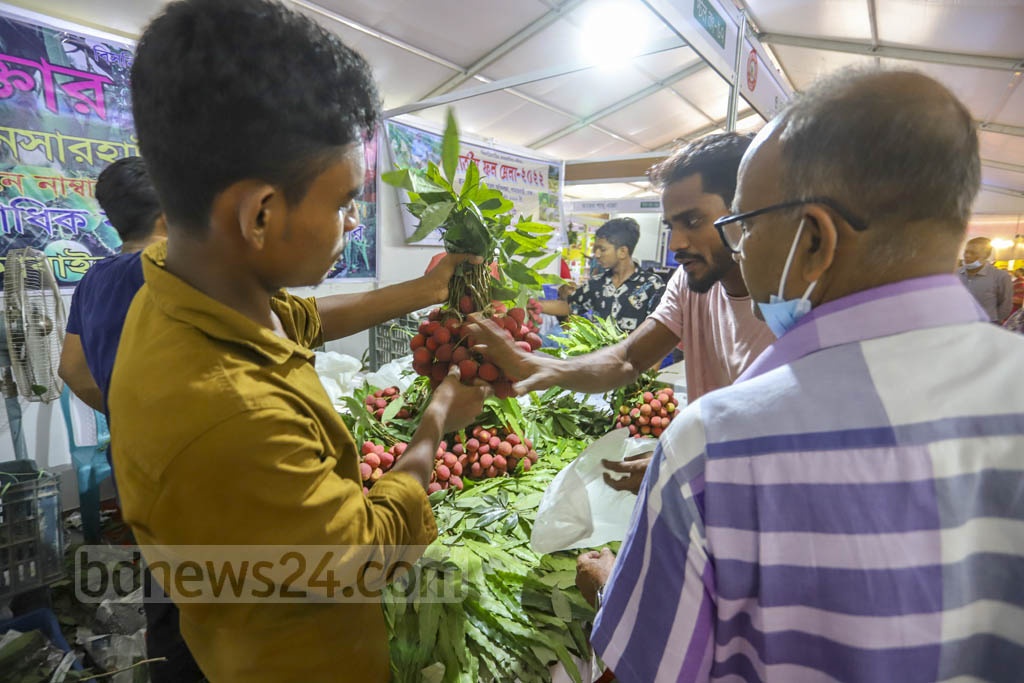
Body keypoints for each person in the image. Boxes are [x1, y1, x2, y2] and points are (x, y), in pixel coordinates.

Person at [592, 68, 1024, 682]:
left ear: (814, 240)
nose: (735, 246)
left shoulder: (714, 448)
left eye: (745, 224)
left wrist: (616, 592)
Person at [108, 2, 487, 681]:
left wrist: (422, 292)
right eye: (344, 201)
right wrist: (436, 419)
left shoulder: (183, 289)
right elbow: (368, 552)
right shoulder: (231, 411)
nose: (349, 220)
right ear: (260, 213)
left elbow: (305, 322)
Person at [470, 133, 774, 493]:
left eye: (692, 221)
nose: (676, 244)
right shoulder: (689, 283)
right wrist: (540, 367)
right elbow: (629, 359)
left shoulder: (793, 305)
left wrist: (696, 467)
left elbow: (787, 443)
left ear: (744, 211)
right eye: (670, 227)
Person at [59, 157, 166, 413]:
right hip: (203, 448)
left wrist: (127, 419)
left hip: (131, 448)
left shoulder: (93, 279)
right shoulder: (185, 269)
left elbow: (72, 370)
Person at [540, 217, 666, 332]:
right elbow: (568, 306)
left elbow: (659, 329)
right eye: (596, 249)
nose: (597, 254)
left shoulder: (651, 285)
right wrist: (536, 305)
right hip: (600, 356)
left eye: (603, 249)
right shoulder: (596, 283)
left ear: (622, 251)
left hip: (634, 356)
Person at [958, 236, 1013, 322]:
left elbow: (1006, 304)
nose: (967, 256)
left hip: (986, 325)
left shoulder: (1000, 276)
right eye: (966, 252)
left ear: (986, 255)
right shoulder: (955, 274)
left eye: (973, 253)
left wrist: (995, 322)